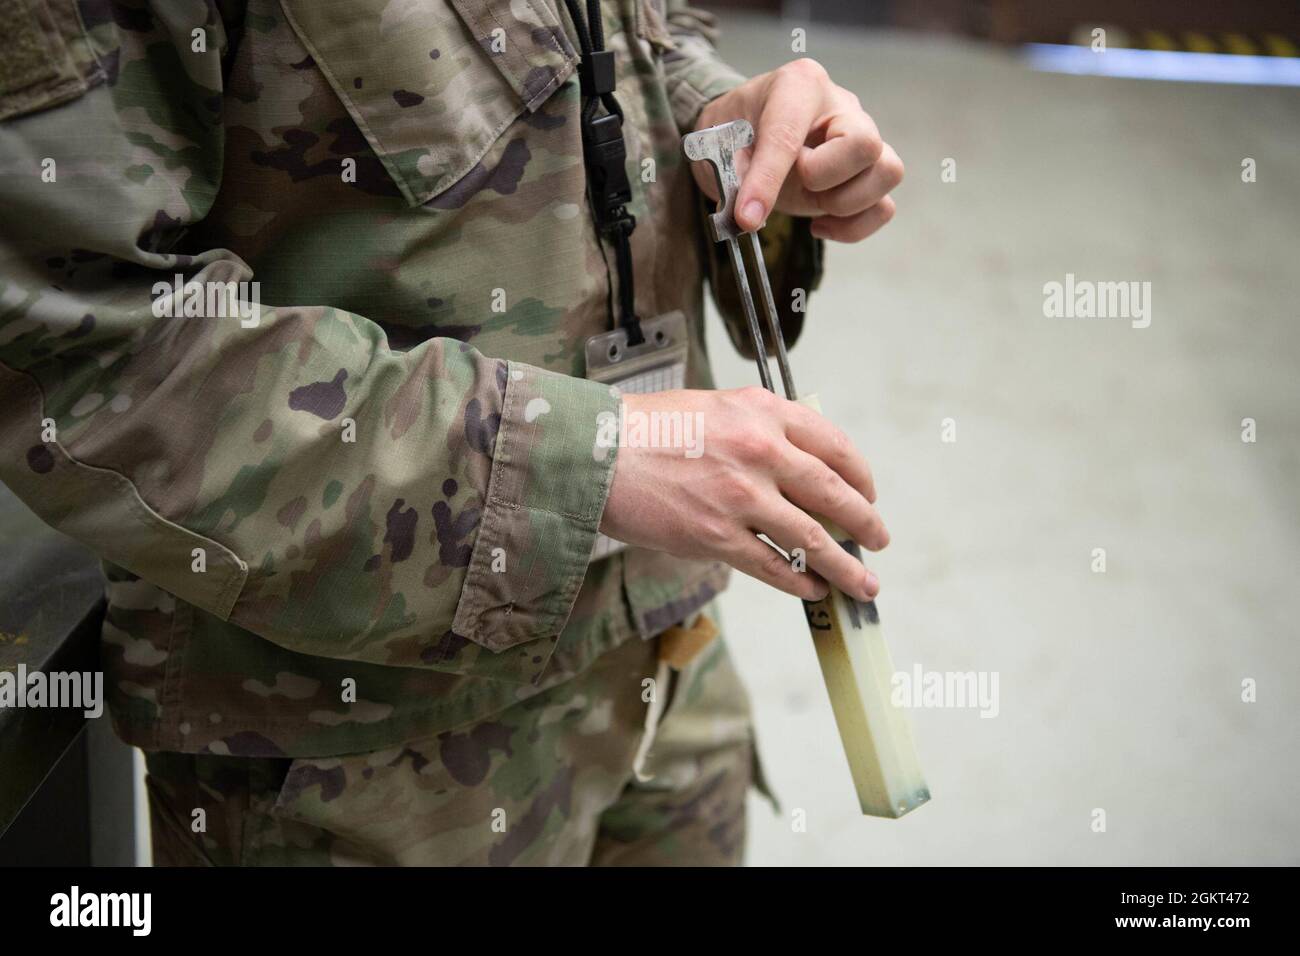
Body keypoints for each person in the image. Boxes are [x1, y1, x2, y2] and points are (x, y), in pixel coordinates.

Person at [0, 0, 902, 865]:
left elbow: (627, 32)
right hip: (365, 754)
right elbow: (82, 338)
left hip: (662, 644)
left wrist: (717, 111)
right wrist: (578, 462)